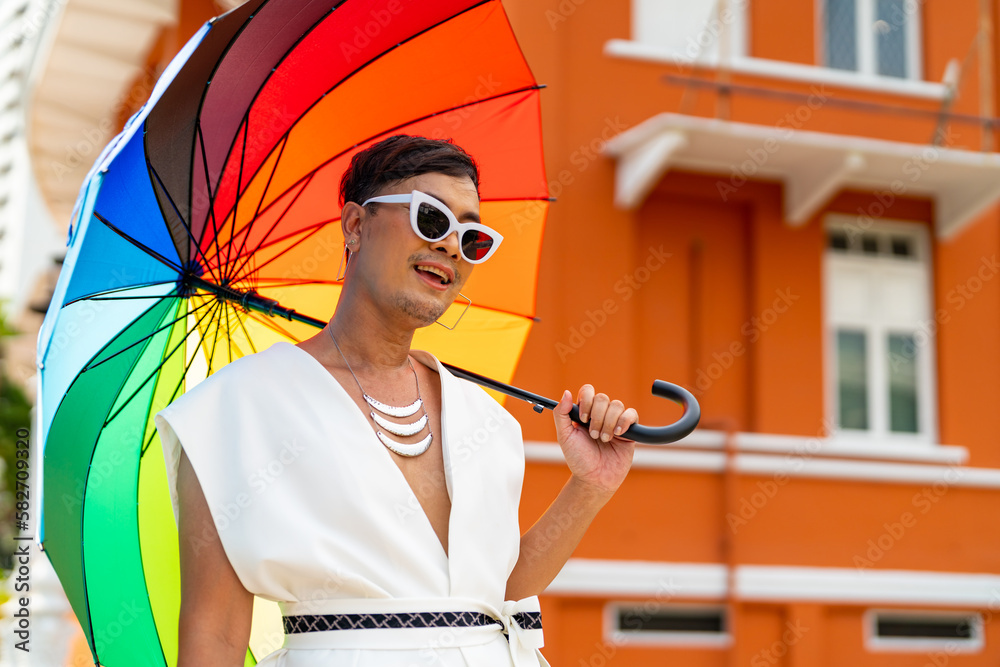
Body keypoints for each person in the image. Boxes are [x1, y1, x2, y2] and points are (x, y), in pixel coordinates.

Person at [154, 135, 638, 667]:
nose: (451, 246)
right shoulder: (234, 410)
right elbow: (215, 636)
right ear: (355, 225)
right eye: (431, 218)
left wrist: (589, 487)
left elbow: (489, 597)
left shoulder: (485, 419)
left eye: (472, 237)